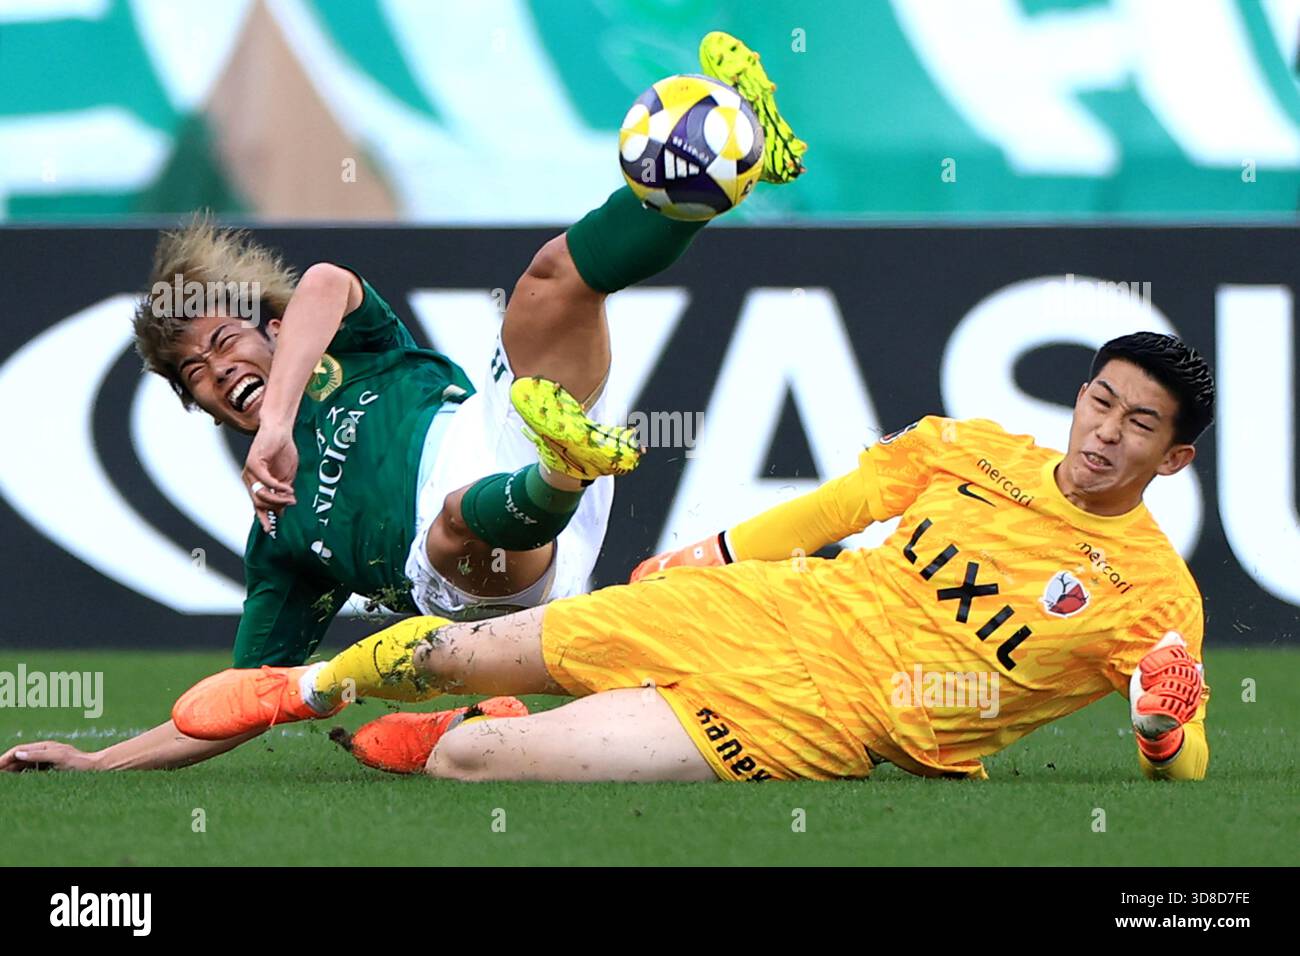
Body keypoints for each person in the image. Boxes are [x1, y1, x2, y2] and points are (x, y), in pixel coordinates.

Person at [0, 31, 808, 773]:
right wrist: (95, 763)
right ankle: (563, 472)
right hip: (488, 578)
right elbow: (243, 695)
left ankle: (716, 176)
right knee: (454, 526)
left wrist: (277, 424)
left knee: (552, 281)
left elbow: (323, 281)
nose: (218, 368)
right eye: (196, 374)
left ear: (271, 327)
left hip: (498, 426)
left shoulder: (351, 349)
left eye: (225, 340)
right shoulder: (282, 541)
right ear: (197, 405)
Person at [170, 332, 1213, 783]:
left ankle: (460, 730)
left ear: (1172, 459)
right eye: (1099, 399)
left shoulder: (1153, 596)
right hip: (758, 607)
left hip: (811, 720)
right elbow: (849, 501)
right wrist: (709, 551)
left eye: (1138, 423)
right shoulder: (978, 449)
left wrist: (1164, 735)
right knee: (451, 648)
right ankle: (300, 688)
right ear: (1079, 396)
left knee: (473, 762)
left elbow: (1184, 752)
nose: (1105, 430)